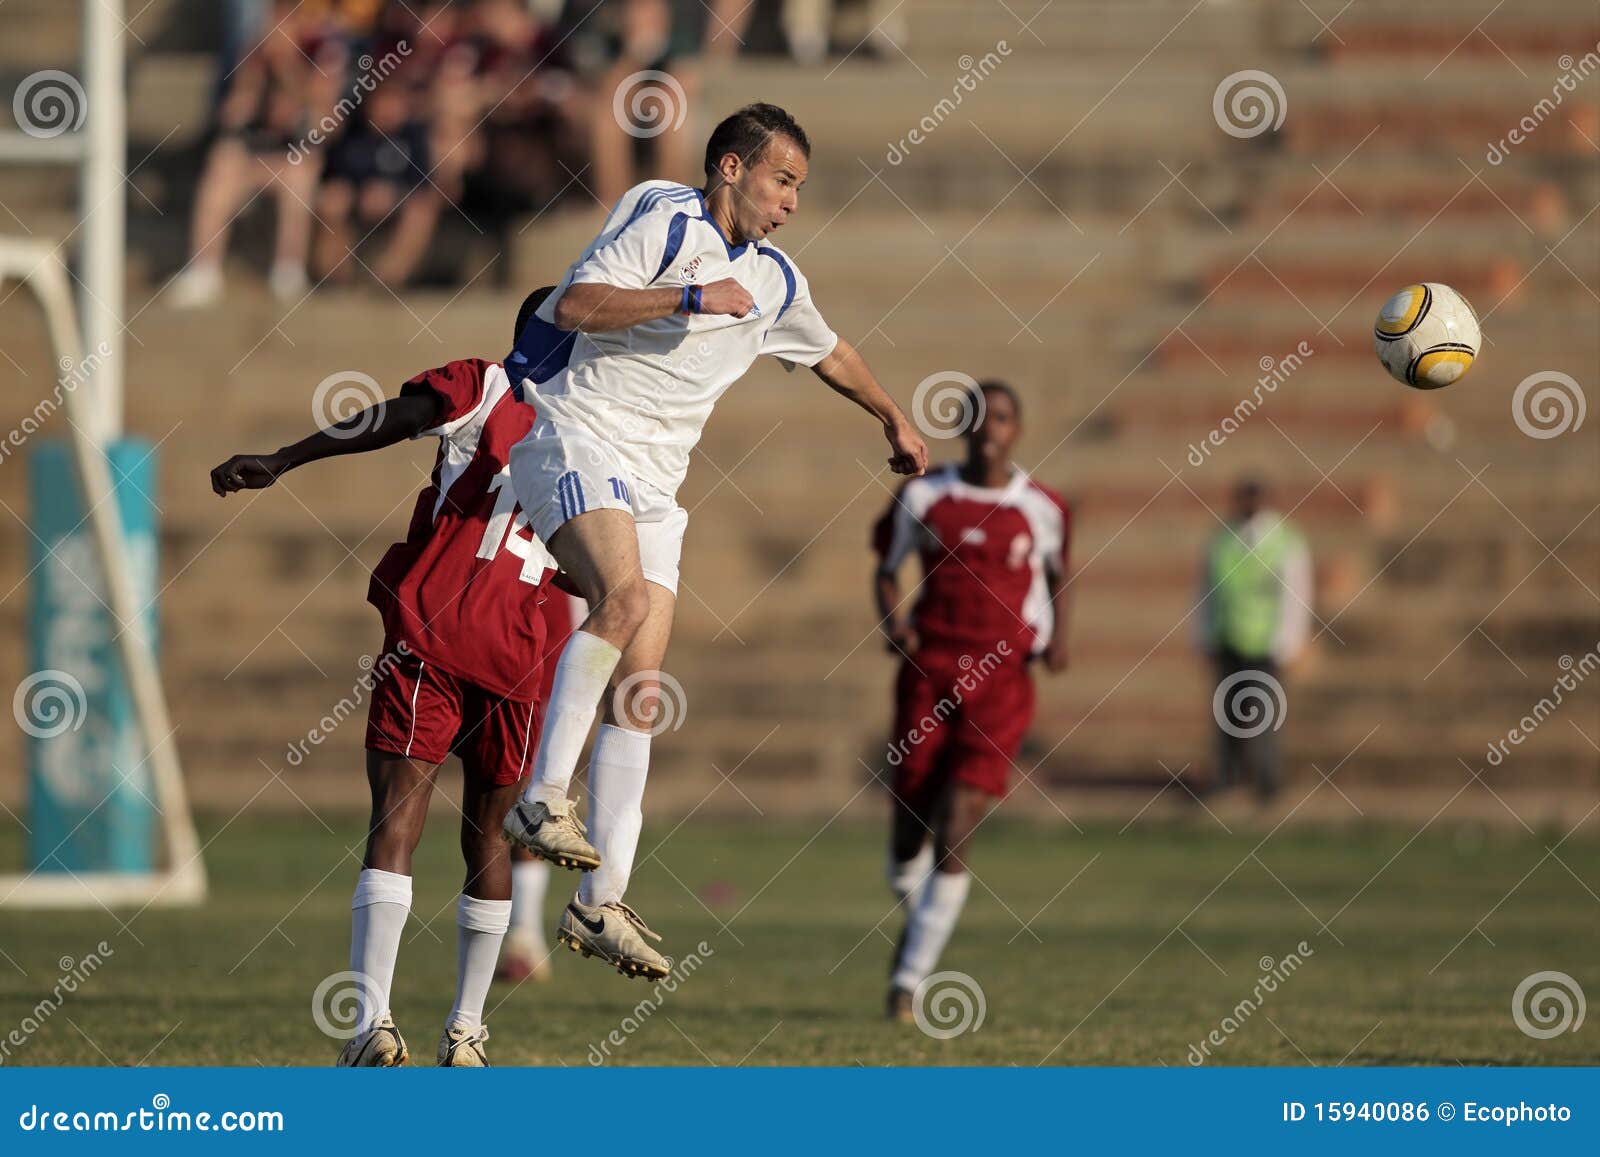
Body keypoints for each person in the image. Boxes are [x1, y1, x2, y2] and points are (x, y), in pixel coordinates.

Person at [498, 102, 929, 981]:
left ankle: (599, 901)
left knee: (644, 688)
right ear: (730, 168)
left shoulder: (773, 279)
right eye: (782, 180)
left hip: (657, 485)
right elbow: (574, 302)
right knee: (621, 601)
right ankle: (541, 799)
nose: (791, 202)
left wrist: (892, 415)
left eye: (799, 187)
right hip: (578, 435)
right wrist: (690, 295)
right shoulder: (665, 214)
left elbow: (830, 351)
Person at [209, 289, 562, 1067]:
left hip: (437, 631)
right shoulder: (610, 432)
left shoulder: (486, 383)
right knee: (489, 838)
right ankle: (466, 1031)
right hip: (524, 653)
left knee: (398, 822)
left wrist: (285, 456)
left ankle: (371, 1023)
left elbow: (397, 417)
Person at [870, 380, 1071, 1021]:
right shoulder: (926, 495)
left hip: (1002, 679)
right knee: (910, 826)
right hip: (928, 670)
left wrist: (1058, 637)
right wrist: (893, 621)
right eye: (980, 415)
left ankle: (909, 980)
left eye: (1005, 417)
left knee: (959, 821)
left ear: (1020, 428)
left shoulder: (1040, 506)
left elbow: (1059, 573)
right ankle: (925, 919)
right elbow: (885, 567)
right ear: (961, 424)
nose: (992, 427)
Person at [1195, 477, 1312, 801]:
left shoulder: (1285, 540)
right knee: (1226, 713)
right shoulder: (1221, 539)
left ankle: (1266, 779)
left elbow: (1295, 593)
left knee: (1263, 714)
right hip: (1227, 637)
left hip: (1265, 643)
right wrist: (1204, 634)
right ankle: (1227, 776)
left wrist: (1288, 639)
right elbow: (1206, 591)